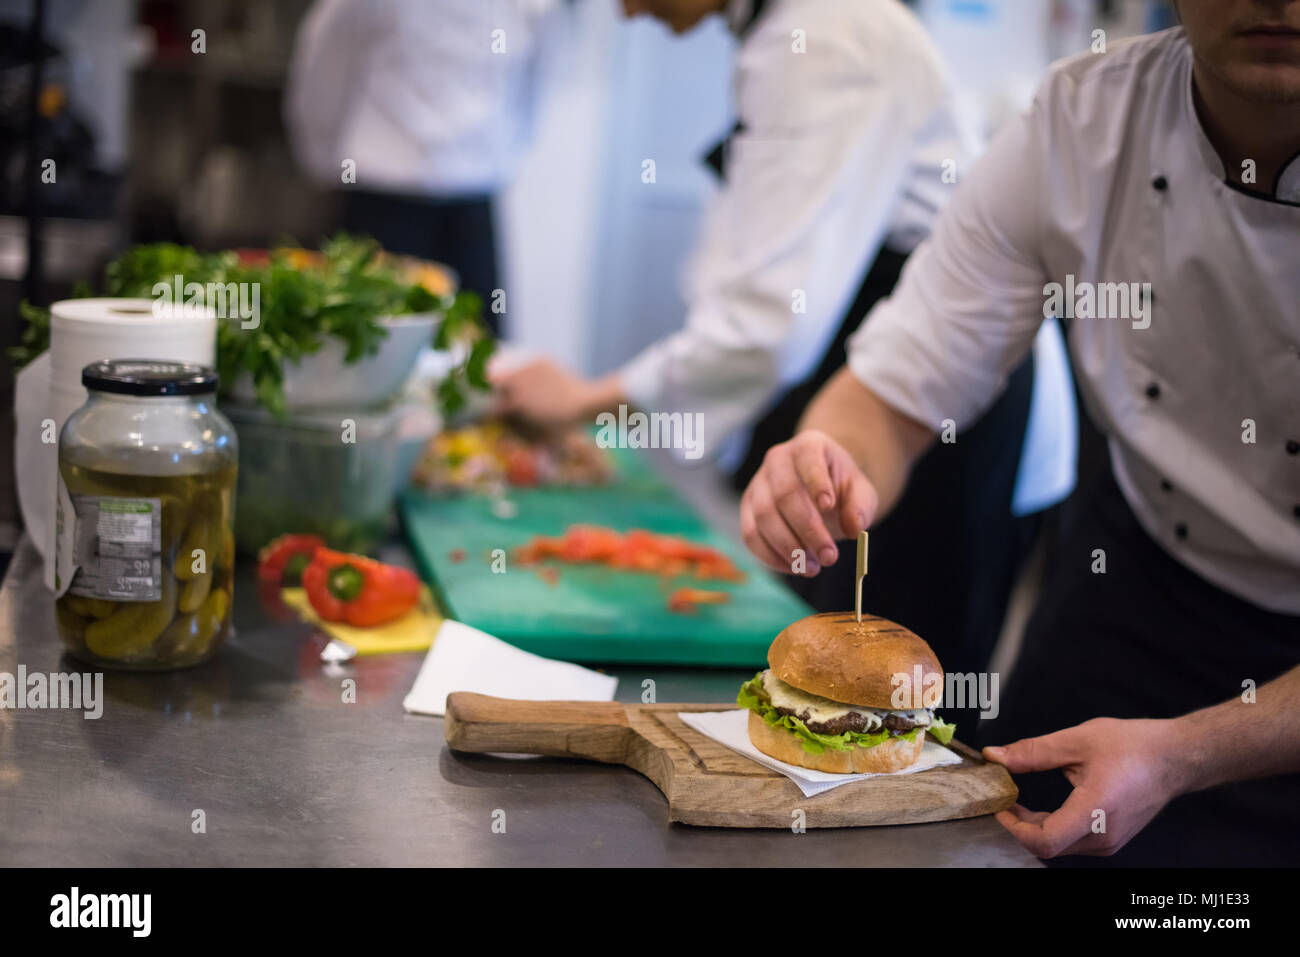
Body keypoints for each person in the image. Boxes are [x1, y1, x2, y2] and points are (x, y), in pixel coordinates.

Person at [738, 0, 1300, 865]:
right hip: (1133, 579)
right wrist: (824, 462)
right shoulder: (1082, 121)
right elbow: (896, 386)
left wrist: (1185, 752)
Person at [496, 0, 1077, 681]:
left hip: (944, 419)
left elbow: (768, 327)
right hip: (865, 405)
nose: (624, 10)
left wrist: (586, 398)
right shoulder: (787, 34)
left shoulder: (829, 38)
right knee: (821, 681)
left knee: (901, 712)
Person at [285, 0, 562, 331]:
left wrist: (498, 159)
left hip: (470, 209)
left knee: (479, 354)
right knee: (359, 351)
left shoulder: (533, 6)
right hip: (381, 203)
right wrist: (323, 160)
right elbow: (324, 67)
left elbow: (536, 83)